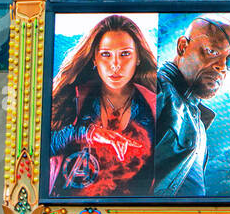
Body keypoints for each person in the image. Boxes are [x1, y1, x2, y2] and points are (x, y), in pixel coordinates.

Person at [49, 15, 157, 197]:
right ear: (94, 59)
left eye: (125, 54)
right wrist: (89, 133)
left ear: (138, 58)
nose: (115, 65)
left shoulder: (156, 106)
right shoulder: (72, 98)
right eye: (106, 55)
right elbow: (43, 147)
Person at [153, 16, 230, 197]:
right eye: (212, 51)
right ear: (183, 46)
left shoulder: (198, 121)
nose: (222, 67)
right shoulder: (155, 90)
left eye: (229, 60)